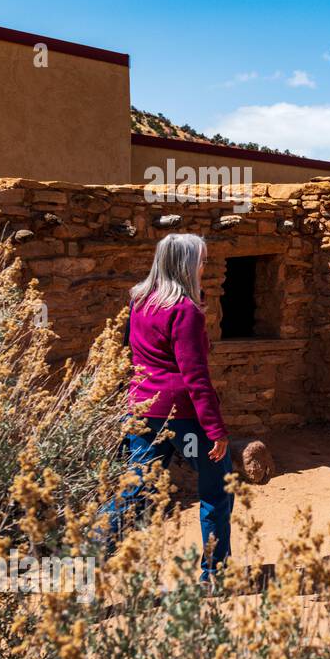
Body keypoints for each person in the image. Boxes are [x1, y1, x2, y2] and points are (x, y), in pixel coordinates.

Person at [111, 233, 233, 582]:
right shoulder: (185, 312)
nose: (204, 266)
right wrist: (215, 430)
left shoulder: (140, 302)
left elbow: (129, 355)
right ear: (186, 265)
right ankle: (214, 575)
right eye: (202, 261)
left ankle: (84, 561)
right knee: (217, 491)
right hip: (183, 414)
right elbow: (195, 376)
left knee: (135, 491)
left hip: (143, 408)